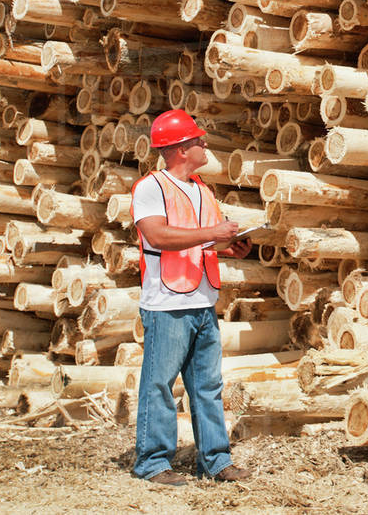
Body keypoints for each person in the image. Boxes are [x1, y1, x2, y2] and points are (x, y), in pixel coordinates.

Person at [130, 108, 252, 486]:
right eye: (198, 140)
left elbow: (203, 240)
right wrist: (212, 232)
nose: (204, 143)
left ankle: (216, 462)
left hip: (201, 301)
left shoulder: (203, 190)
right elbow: (159, 237)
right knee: (159, 384)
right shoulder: (151, 187)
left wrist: (232, 247)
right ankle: (152, 464)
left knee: (207, 387)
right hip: (167, 305)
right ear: (181, 148)